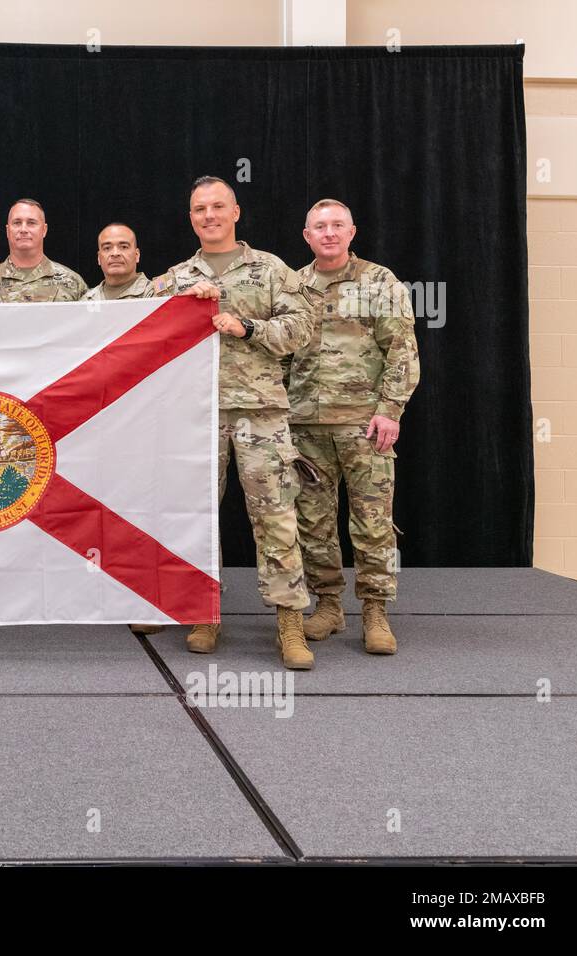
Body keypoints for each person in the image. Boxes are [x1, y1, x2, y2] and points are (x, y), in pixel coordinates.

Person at [153, 176, 317, 669]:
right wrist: (179, 306)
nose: (209, 216)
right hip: (197, 416)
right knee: (199, 519)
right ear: (191, 218)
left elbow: (302, 328)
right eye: (200, 209)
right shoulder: (177, 277)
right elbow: (140, 331)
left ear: (236, 212)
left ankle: (289, 623)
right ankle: (206, 614)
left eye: (218, 207)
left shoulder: (269, 269)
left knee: (275, 518)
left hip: (260, 414)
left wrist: (246, 326)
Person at [289, 198, 420, 654]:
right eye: (319, 226)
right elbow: (278, 352)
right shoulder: (293, 286)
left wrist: (390, 410)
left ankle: (376, 611)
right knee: (314, 521)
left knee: (372, 520)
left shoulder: (379, 282)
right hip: (305, 424)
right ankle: (327, 604)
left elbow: (402, 349)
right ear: (307, 236)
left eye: (337, 225)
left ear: (352, 231)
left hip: (366, 424)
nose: (328, 232)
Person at [0, 199, 87, 302]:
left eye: (31, 223)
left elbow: (88, 329)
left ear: (44, 230)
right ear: (7, 230)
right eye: (17, 223)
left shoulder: (72, 282)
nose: (23, 229)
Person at [82, 223, 157, 300]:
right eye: (107, 248)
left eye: (124, 247)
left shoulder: (158, 296)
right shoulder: (85, 302)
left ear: (137, 255)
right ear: (99, 258)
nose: (115, 253)